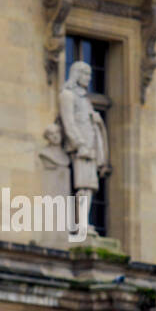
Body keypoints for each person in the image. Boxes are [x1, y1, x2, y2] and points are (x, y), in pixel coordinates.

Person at [57, 59, 108, 232]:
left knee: (89, 186)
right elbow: (69, 122)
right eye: (85, 74)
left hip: (89, 145)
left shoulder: (84, 99)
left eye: (90, 74)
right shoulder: (68, 95)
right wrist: (79, 144)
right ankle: (81, 223)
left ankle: (83, 222)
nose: (88, 78)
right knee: (82, 185)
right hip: (81, 148)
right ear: (76, 74)